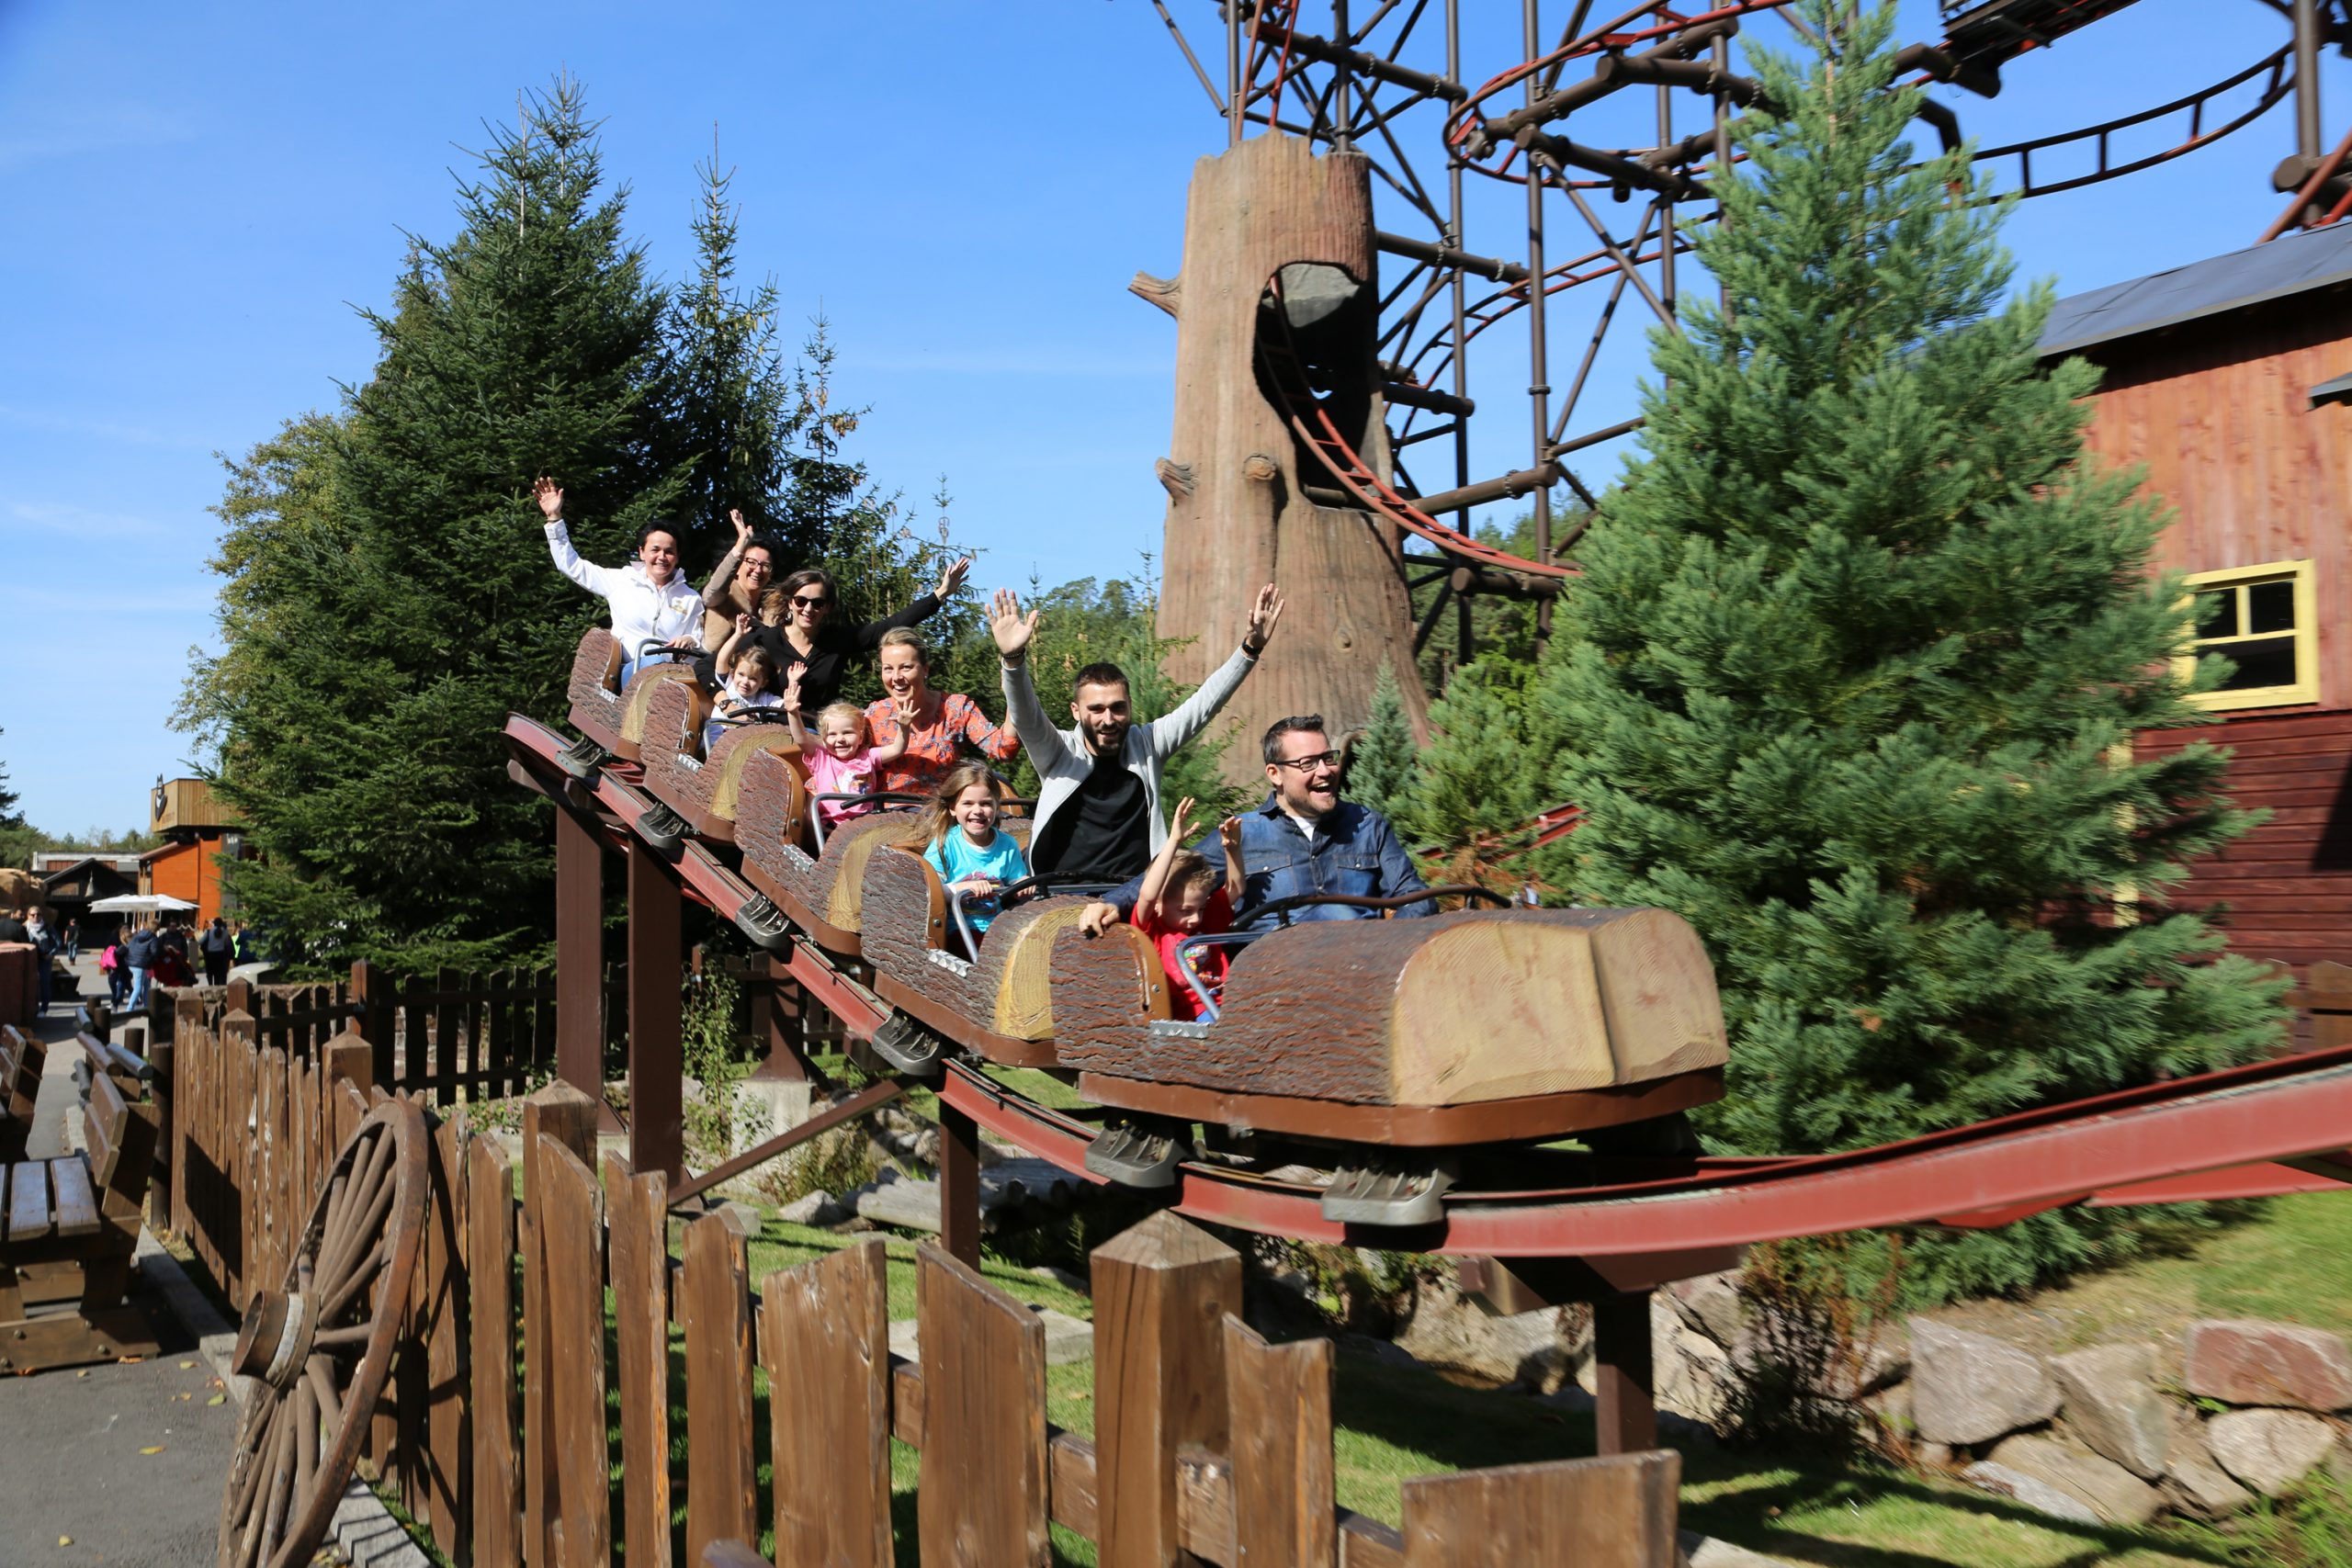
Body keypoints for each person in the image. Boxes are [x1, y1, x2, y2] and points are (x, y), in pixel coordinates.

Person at [989, 582, 1283, 885]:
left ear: (1130, 705)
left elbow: (1203, 705)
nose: (1108, 719)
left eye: (1118, 708)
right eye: (1097, 709)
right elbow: (1026, 716)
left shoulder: (1148, 744)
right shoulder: (1058, 751)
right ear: (1077, 711)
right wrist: (1014, 660)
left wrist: (1250, 649)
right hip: (1062, 892)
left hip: (1133, 893)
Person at [1081, 715, 1433, 937]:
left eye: (1328, 758)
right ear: (1275, 774)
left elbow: (1416, 897)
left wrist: (1393, 936)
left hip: (1363, 968)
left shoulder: (1368, 826)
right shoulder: (1244, 833)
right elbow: (1174, 872)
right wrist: (1112, 903)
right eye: (1309, 763)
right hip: (1275, 985)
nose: (1325, 771)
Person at [710, 557, 972, 722]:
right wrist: (725, 702)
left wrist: (939, 594)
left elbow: (889, 626)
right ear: (790, 603)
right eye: (801, 601)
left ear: (827, 608)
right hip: (766, 728)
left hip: (817, 733)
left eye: (817, 603)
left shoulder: (837, 640)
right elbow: (707, 668)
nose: (808, 609)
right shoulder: (764, 639)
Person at [1129, 797, 1249, 1021]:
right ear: (1159, 905)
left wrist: (1232, 850)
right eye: (1185, 911)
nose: (1195, 919)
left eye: (1201, 908)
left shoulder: (1205, 920)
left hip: (1226, 1002)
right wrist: (1174, 841)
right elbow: (1147, 895)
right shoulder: (1154, 929)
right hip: (1189, 1011)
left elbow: (1236, 888)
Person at [863, 630, 1020, 795]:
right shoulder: (873, 715)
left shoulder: (955, 708)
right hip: (886, 814)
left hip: (940, 813)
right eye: (888, 669)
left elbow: (1004, 748)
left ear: (925, 669)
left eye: (906, 667)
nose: (896, 677)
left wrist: (1013, 690)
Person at [920, 762, 1029, 945]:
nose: (977, 811)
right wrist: (963, 888)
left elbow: (1015, 880)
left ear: (996, 807)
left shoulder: (1007, 844)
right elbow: (931, 889)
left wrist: (1023, 885)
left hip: (997, 926)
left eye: (986, 804)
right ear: (953, 808)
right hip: (958, 928)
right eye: (968, 804)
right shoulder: (945, 844)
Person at [787, 690, 910, 832]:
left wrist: (904, 728)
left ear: (860, 737)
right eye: (832, 734)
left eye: (847, 733)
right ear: (824, 739)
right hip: (831, 824)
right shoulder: (822, 758)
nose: (840, 739)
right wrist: (793, 713)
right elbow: (801, 738)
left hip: (865, 821)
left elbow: (897, 749)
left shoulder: (868, 757)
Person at [698, 623, 788, 751]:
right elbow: (721, 660)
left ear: (763, 683)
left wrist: (794, 680)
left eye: (753, 679)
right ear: (733, 673)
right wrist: (737, 635)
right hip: (714, 744)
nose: (745, 682)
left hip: (739, 749)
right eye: (741, 674)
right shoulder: (728, 685)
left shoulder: (763, 699)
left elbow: (786, 706)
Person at [697, 509, 779, 649]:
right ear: (737, 567)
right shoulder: (722, 597)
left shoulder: (774, 612)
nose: (758, 570)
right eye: (751, 562)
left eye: (765, 565)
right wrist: (742, 543)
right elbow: (710, 595)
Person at [27, 910, 56, 1017]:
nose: (36, 916)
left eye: (38, 914)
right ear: (28, 916)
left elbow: (58, 942)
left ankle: (44, 1008)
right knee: (29, 984)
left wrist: (51, 954)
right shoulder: (25, 928)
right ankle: (32, 1008)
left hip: (44, 959)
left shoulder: (47, 927)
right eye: (33, 914)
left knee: (44, 982)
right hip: (30, 959)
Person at [124, 921, 160, 1010]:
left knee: (147, 985)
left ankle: (146, 1005)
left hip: (131, 962)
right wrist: (152, 961)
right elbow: (154, 952)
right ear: (156, 929)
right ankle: (130, 1008)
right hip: (141, 964)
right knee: (138, 987)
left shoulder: (138, 935)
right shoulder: (153, 938)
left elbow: (129, 946)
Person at [199, 916, 234, 986]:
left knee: (210, 973)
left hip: (210, 956)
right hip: (220, 956)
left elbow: (200, 942)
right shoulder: (225, 933)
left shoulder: (208, 932)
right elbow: (227, 944)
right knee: (218, 974)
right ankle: (217, 988)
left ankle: (210, 986)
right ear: (221, 924)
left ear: (214, 923)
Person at [100, 934, 127, 1007]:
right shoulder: (123, 948)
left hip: (115, 970)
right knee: (123, 986)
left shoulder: (118, 948)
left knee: (118, 987)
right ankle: (115, 1002)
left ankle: (115, 1003)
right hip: (118, 970)